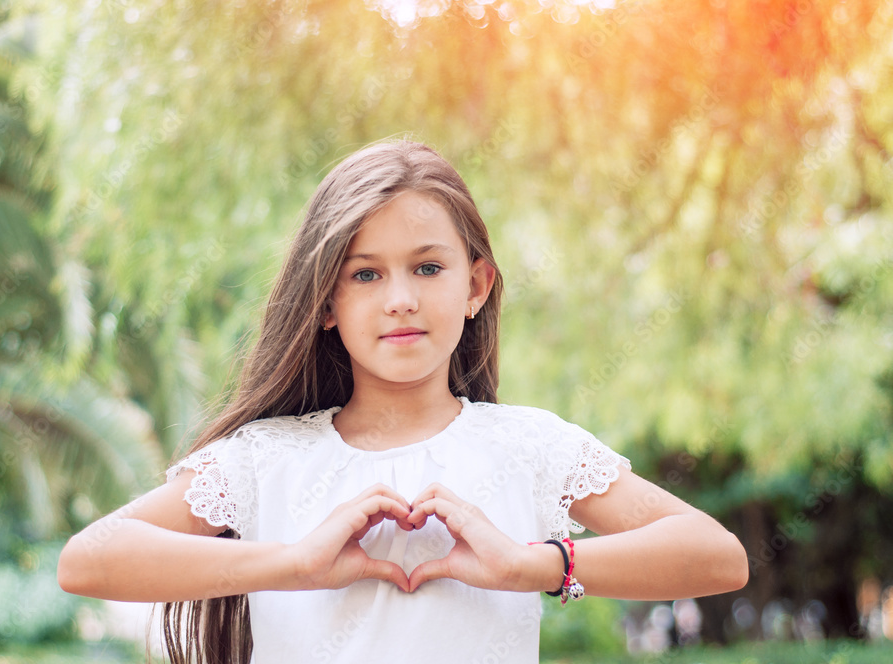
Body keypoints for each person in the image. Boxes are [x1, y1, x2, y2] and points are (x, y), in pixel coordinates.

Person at [57, 139, 748, 664]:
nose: (401, 300)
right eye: (365, 273)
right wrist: (293, 563)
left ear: (476, 286)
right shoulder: (266, 459)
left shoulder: (530, 447)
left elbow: (717, 556)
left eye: (427, 267)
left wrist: (532, 565)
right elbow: (89, 560)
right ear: (327, 302)